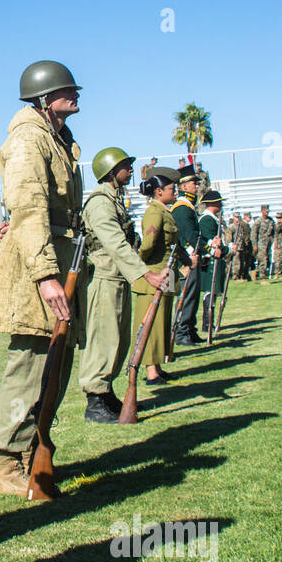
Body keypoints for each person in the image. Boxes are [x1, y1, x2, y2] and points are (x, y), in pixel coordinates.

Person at [0, 60, 84, 496]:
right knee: (29, 365)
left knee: (56, 363)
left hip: (58, 256)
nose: (76, 95)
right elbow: (28, 210)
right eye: (67, 90)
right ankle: (11, 466)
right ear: (45, 98)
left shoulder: (58, 139)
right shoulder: (29, 139)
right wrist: (45, 274)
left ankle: (37, 451)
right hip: (36, 265)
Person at [79, 148, 172, 422]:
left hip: (116, 277)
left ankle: (106, 394)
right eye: (125, 166)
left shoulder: (115, 200)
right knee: (103, 340)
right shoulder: (100, 202)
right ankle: (95, 401)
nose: (131, 170)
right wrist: (144, 273)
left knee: (118, 341)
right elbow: (115, 243)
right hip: (104, 277)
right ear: (110, 171)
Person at [129, 168, 189, 384]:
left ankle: (158, 365)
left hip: (167, 272)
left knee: (162, 322)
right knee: (151, 323)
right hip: (155, 273)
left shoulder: (165, 211)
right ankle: (151, 370)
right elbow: (148, 245)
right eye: (171, 189)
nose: (175, 192)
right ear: (158, 192)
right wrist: (142, 267)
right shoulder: (155, 212)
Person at [171, 165, 203, 345]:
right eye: (193, 183)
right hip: (186, 259)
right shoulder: (182, 208)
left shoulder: (188, 206)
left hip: (191, 257)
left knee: (192, 295)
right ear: (183, 186)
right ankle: (181, 332)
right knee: (186, 295)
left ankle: (190, 329)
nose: (196, 186)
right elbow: (190, 236)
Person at [198, 190, 227, 329]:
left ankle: (209, 322)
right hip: (210, 261)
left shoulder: (212, 218)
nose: (221, 204)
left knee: (213, 293)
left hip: (214, 260)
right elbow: (209, 241)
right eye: (219, 201)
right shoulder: (207, 219)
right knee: (210, 292)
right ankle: (207, 323)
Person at [251, 204, 275, 281]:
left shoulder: (271, 221)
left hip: (268, 244)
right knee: (263, 261)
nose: (267, 212)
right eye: (265, 211)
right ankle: (262, 278)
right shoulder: (258, 222)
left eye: (268, 211)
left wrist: (274, 242)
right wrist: (255, 245)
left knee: (268, 261)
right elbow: (253, 234)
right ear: (262, 211)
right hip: (260, 244)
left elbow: (274, 233)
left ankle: (255, 272)